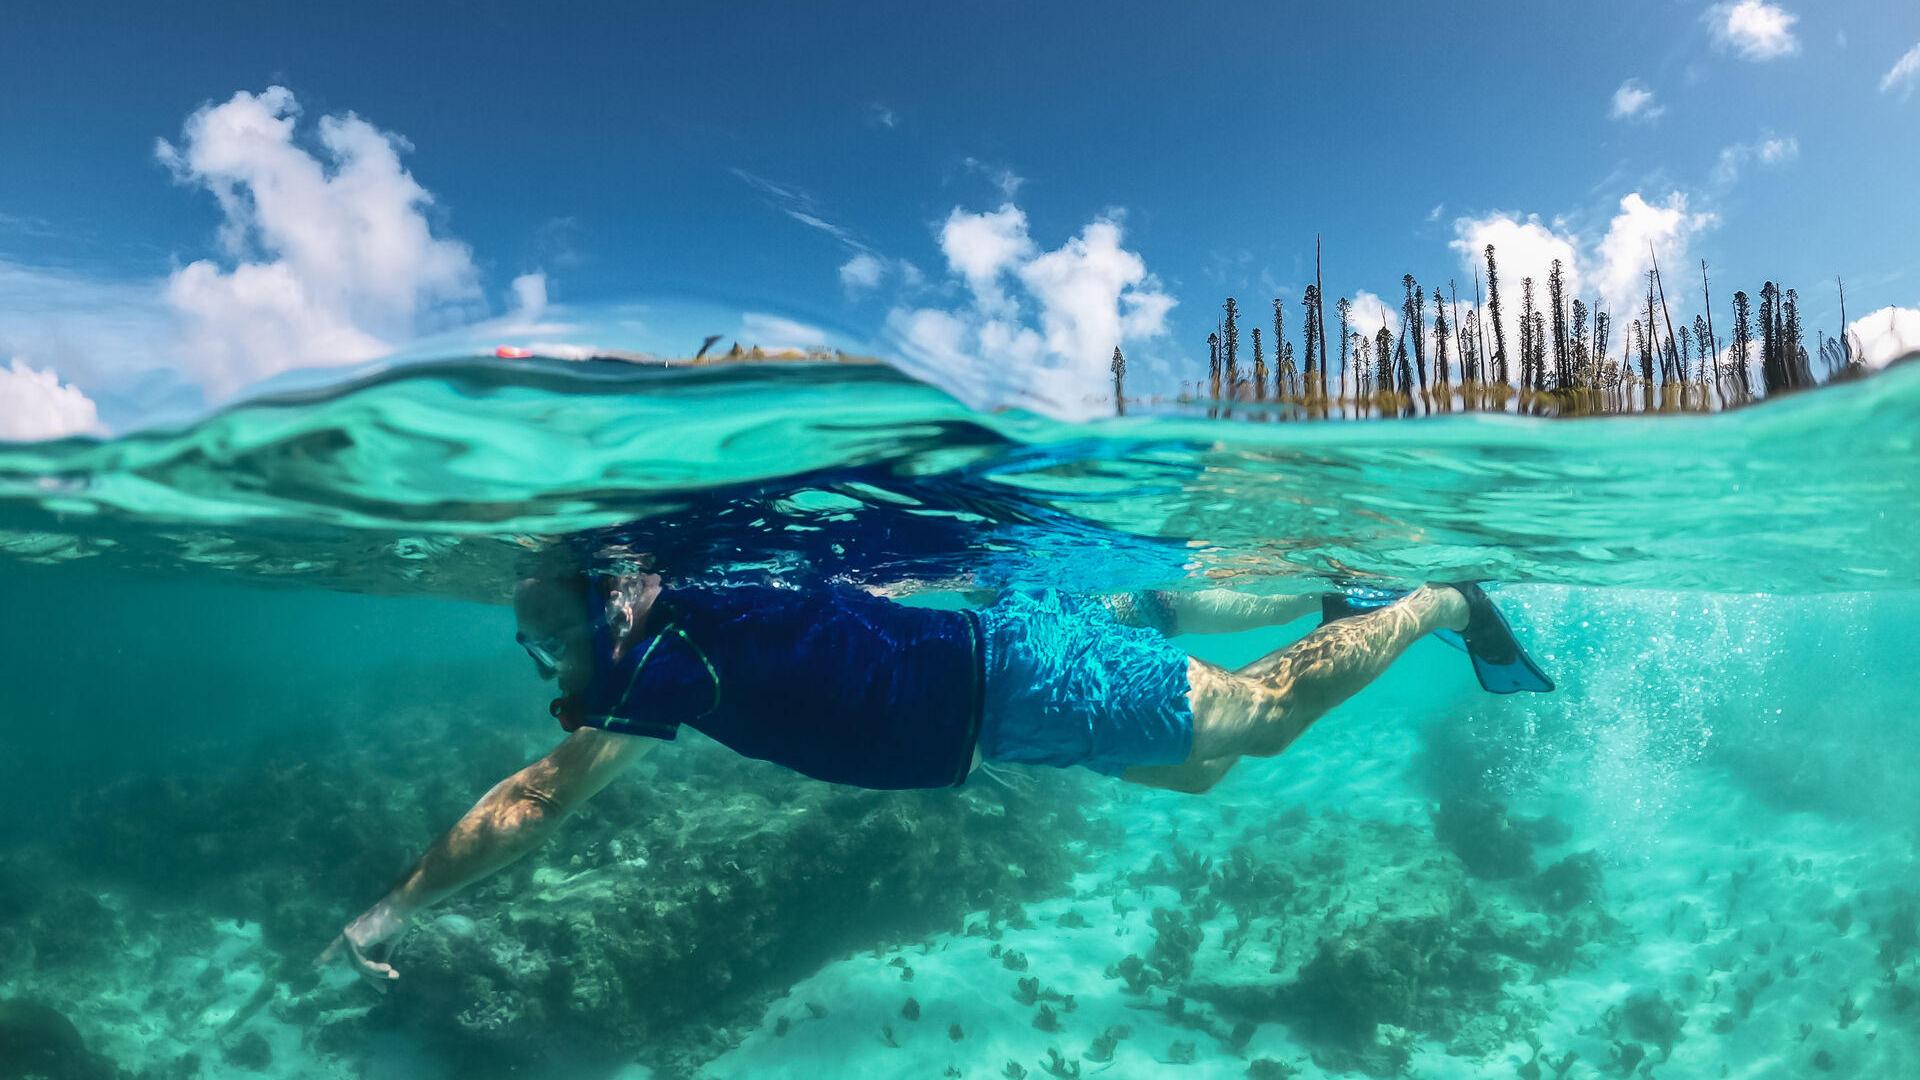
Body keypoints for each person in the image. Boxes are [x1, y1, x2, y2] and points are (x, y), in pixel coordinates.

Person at [321, 570, 1549, 983]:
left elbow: (536, 797)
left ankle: (1438, 602)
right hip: (999, 702)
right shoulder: (692, 620)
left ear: (603, 610)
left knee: (1262, 723)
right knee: (1192, 779)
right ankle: (1222, 608)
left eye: (546, 636)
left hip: (1011, 685)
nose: (546, 663)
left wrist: (391, 905)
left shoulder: (667, 650)